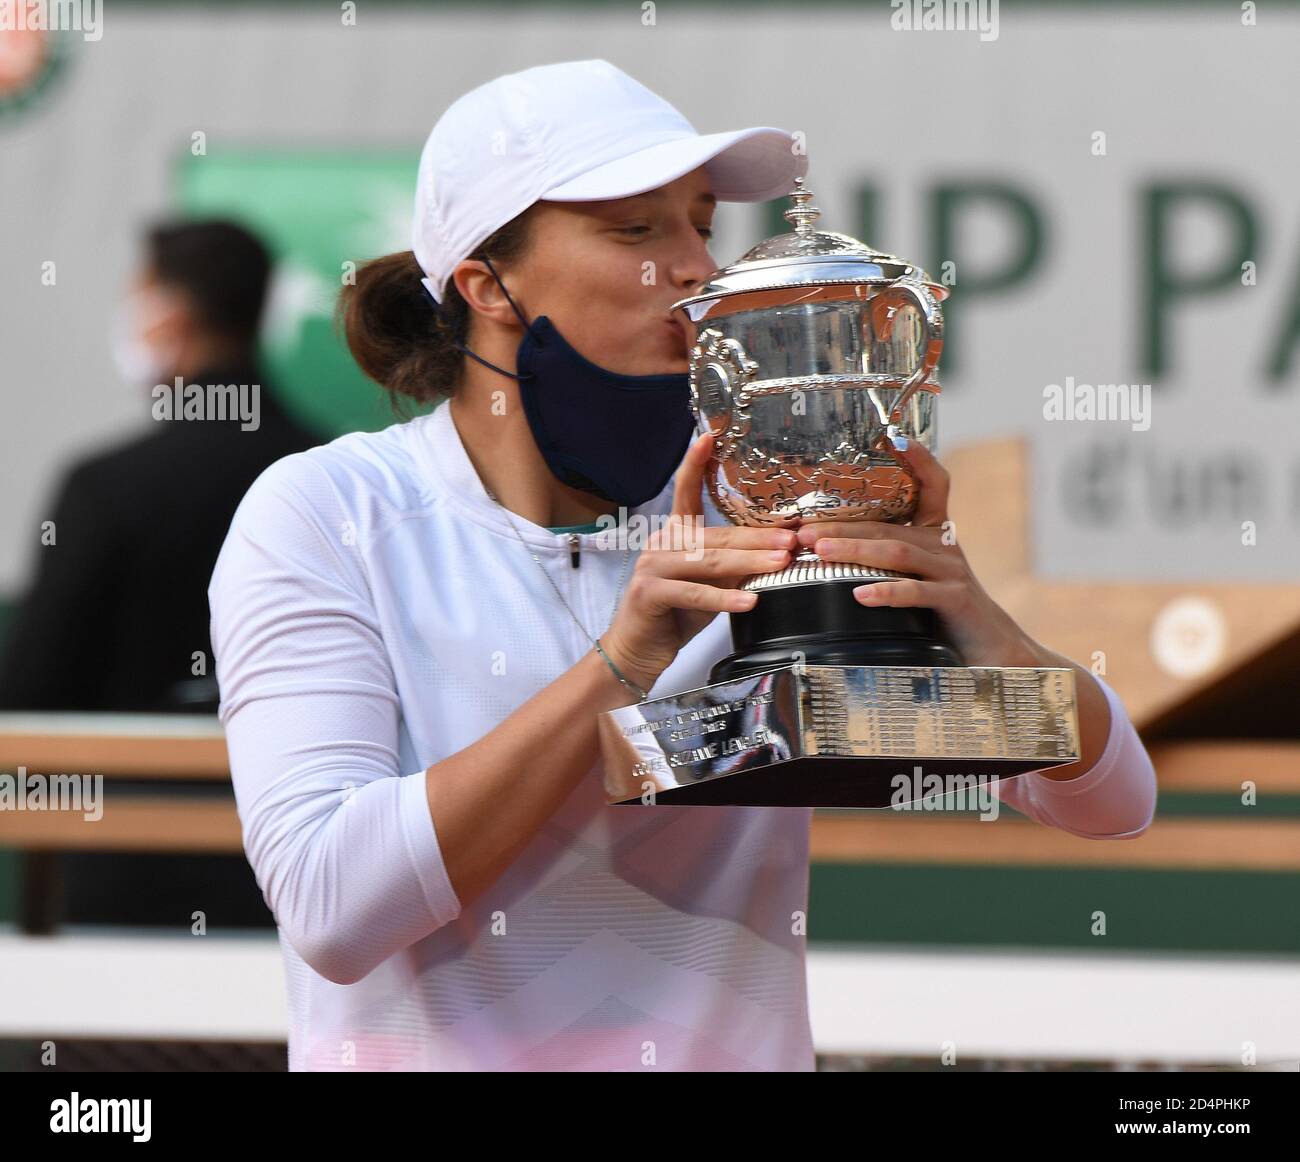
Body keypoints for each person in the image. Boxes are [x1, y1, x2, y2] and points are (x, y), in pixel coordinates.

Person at [208, 59, 1157, 1072]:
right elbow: (331, 907)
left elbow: (1106, 801)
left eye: (701, 222)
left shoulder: (765, 501)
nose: (698, 266)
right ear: (488, 284)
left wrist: (982, 635)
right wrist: (619, 666)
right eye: (636, 229)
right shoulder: (324, 513)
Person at [0, 217, 321, 929]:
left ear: (169, 313)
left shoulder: (106, 487)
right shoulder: (338, 475)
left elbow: (32, 696)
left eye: (136, 295)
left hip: (122, 890)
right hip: (308, 894)